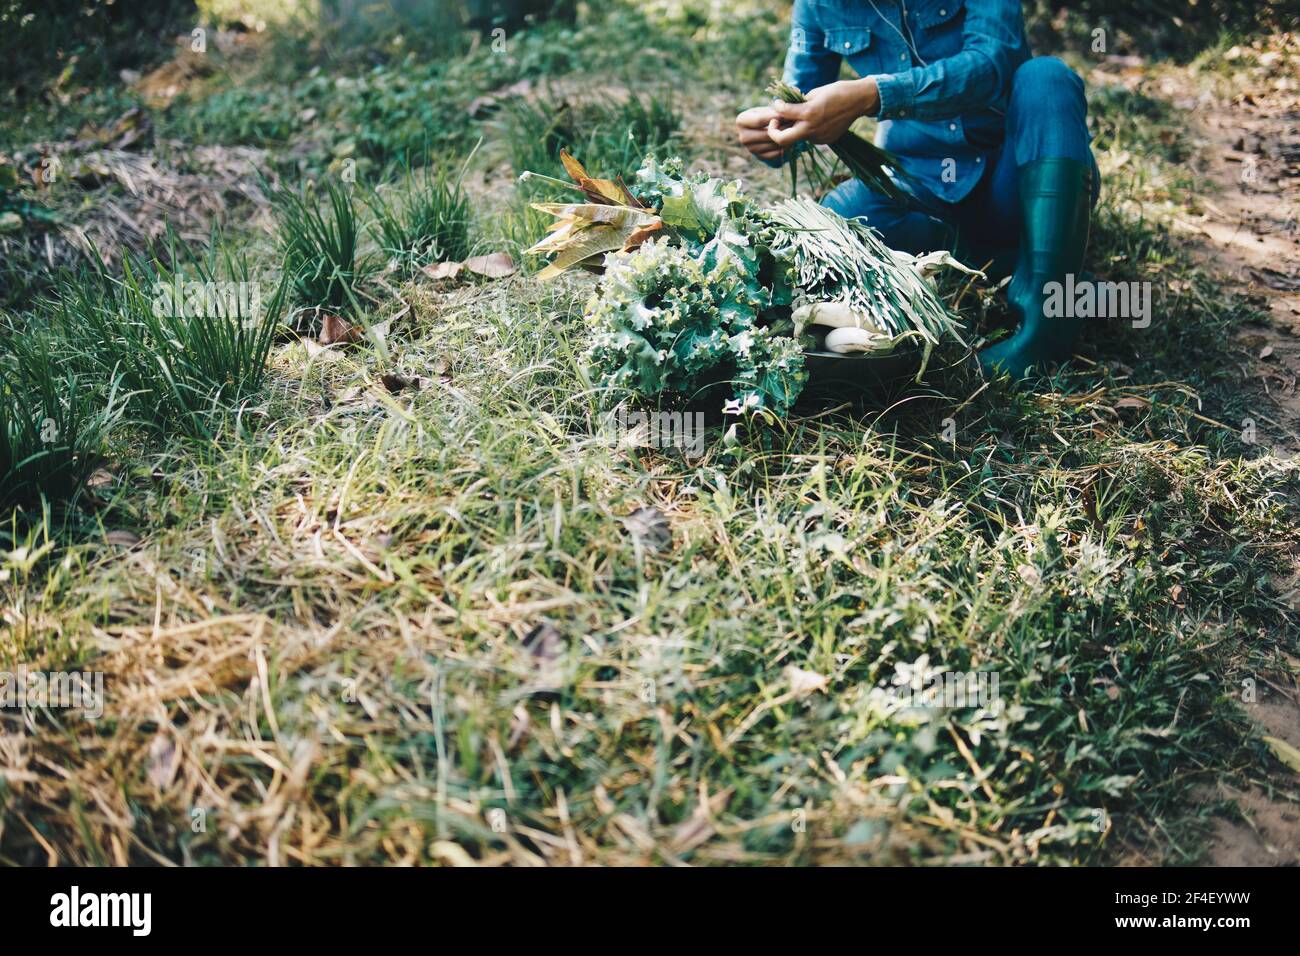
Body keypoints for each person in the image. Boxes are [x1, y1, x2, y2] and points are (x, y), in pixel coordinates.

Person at [736, 0, 1099, 378]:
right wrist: (774, 135)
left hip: (1012, 180)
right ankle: (1013, 258)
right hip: (923, 191)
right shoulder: (818, 5)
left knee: (1048, 78)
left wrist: (873, 94)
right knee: (843, 212)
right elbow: (802, 105)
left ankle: (1049, 323)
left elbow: (989, 64)